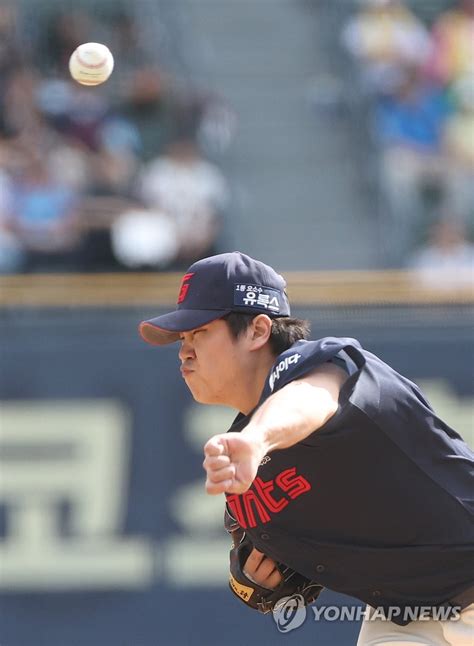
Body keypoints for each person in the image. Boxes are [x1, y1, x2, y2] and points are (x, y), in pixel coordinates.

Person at [139, 251, 474, 645]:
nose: (184, 352)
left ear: (258, 330)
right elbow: (268, 569)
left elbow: (312, 399)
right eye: (181, 338)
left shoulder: (326, 368)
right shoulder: (249, 462)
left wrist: (256, 439)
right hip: (405, 614)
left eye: (199, 333)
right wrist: (255, 575)